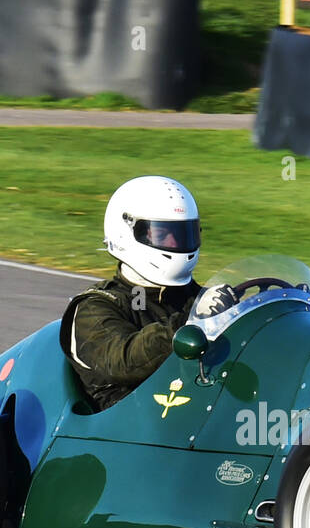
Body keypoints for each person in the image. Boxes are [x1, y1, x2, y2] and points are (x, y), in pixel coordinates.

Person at [61, 176, 236, 412]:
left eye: (185, 235)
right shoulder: (95, 308)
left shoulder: (202, 300)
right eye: (164, 235)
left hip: (208, 415)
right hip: (128, 429)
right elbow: (124, 360)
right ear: (127, 233)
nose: (176, 243)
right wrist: (192, 320)